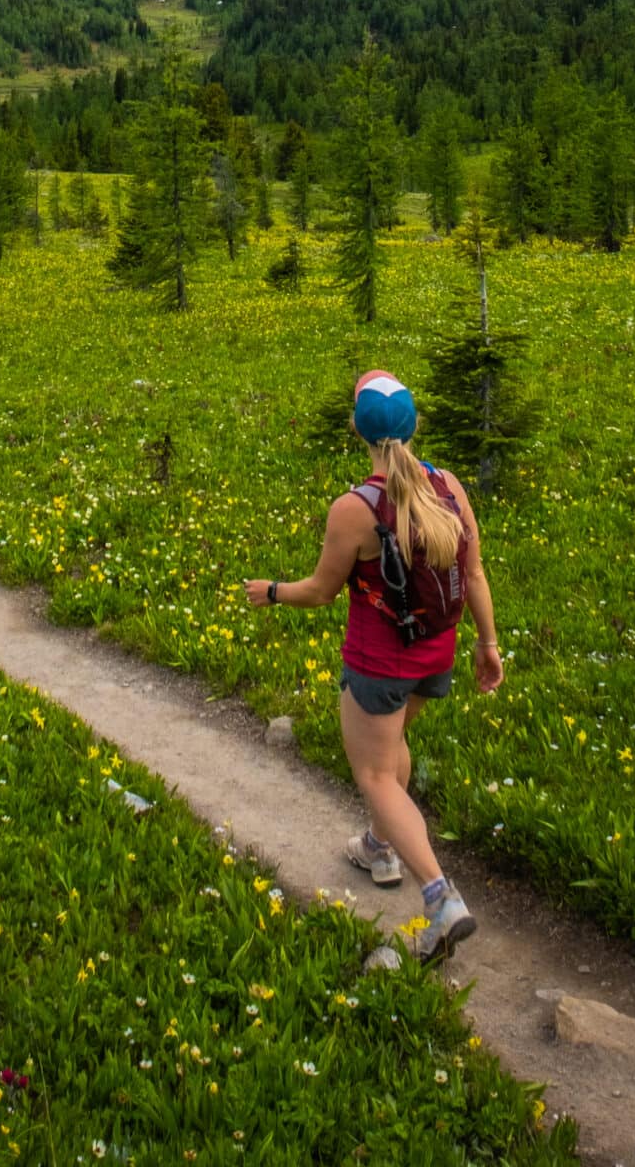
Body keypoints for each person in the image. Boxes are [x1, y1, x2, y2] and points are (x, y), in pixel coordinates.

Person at [244, 369, 502, 961]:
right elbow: (478, 573)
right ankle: (379, 846)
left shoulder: (356, 508)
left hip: (379, 661)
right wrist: (488, 646)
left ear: (357, 431)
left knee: (376, 775)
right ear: (413, 425)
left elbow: (321, 591)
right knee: (393, 750)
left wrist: (272, 591)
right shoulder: (449, 486)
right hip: (436, 655)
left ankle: (441, 900)